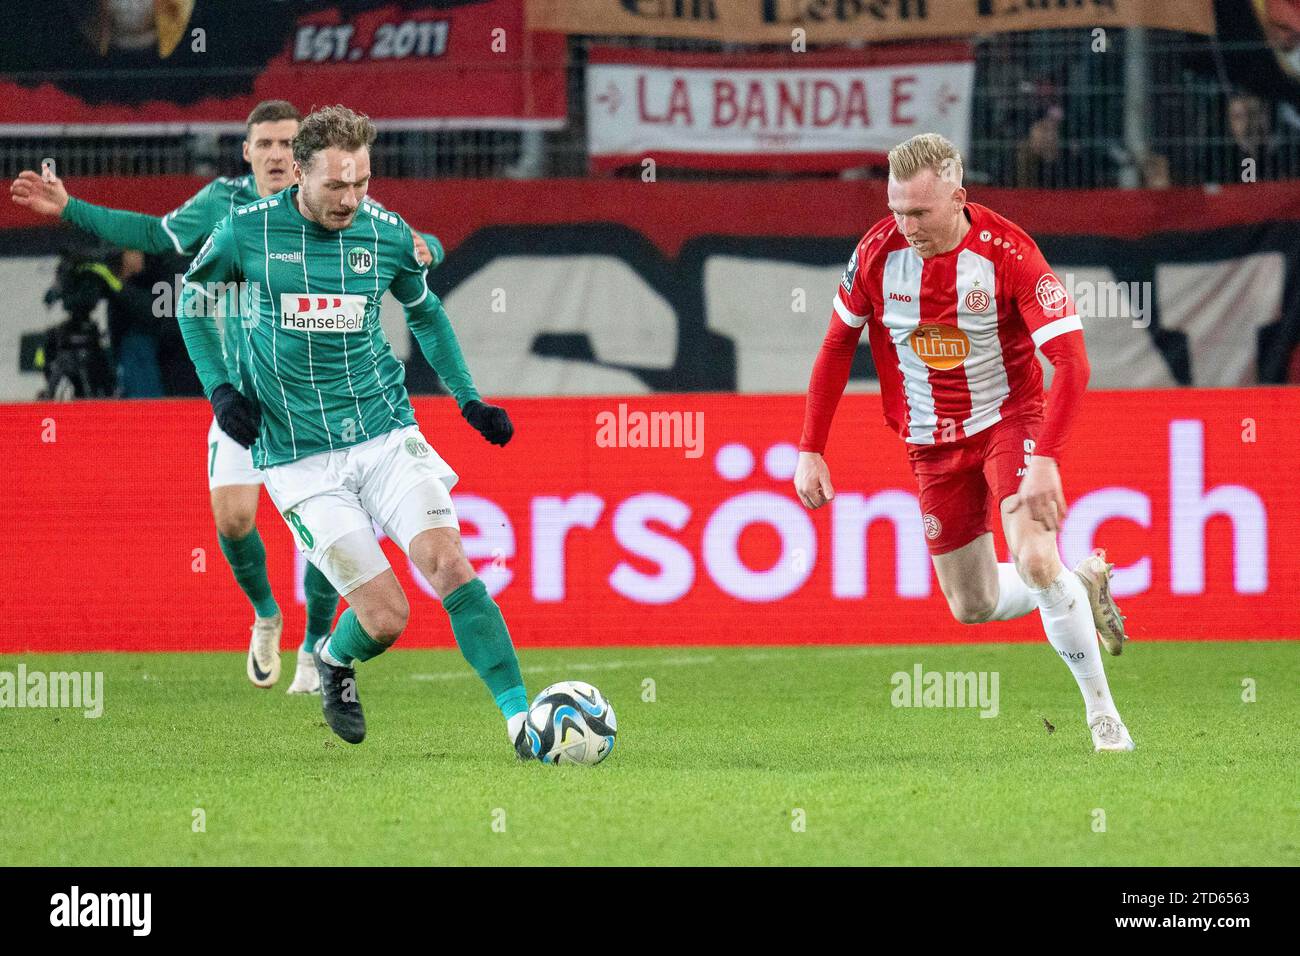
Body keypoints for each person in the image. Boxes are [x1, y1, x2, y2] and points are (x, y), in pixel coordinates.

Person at [11, 100, 452, 694]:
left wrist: (427, 247)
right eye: (263, 143)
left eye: (285, 144)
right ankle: (267, 613)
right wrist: (70, 208)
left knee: (333, 532)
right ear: (247, 151)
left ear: (304, 156)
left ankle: (314, 645)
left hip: (319, 405)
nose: (274, 154)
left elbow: (412, 244)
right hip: (243, 399)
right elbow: (154, 234)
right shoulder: (226, 204)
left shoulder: (336, 201)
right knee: (235, 519)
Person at [175, 105, 530, 754]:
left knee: (449, 564)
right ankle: (336, 659)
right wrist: (220, 389)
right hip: (296, 456)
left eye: (361, 183)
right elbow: (192, 303)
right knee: (387, 616)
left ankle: (521, 722)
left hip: (385, 432)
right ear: (300, 174)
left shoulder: (386, 234)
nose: (351, 199)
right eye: (337, 185)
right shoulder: (245, 233)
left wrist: (470, 401)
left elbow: (425, 312)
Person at [795, 132, 1134, 753]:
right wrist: (810, 447)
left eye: (919, 212)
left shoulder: (1009, 253)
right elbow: (837, 343)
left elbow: (1073, 362)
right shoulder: (876, 253)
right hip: (929, 441)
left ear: (958, 196)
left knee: (1033, 557)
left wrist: (1048, 458)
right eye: (896, 210)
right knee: (971, 605)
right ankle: (1074, 585)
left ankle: (1104, 718)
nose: (906, 225)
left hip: (1010, 420)